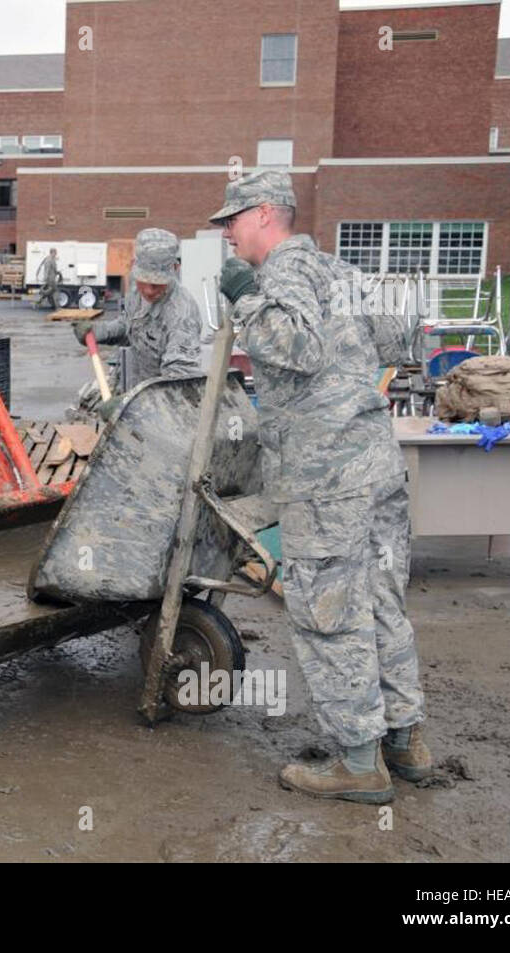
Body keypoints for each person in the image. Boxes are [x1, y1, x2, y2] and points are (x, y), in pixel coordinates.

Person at [209, 170, 429, 803]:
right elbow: (400, 338)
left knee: (332, 614)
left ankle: (360, 763)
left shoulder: (279, 275)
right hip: (375, 468)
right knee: (383, 603)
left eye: (231, 220)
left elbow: (295, 348)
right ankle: (404, 740)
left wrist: (248, 296)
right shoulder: (341, 271)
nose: (226, 233)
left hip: (326, 481)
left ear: (263, 216)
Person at [70, 228, 202, 419]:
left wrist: (128, 405)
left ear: (175, 269)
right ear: (135, 266)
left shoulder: (182, 314)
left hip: (166, 413)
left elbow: (177, 384)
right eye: (144, 280)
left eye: (157, 283)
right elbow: (128, 325)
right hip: (136, 395)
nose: (148, 291)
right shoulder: (135, 290)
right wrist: (97, 332)